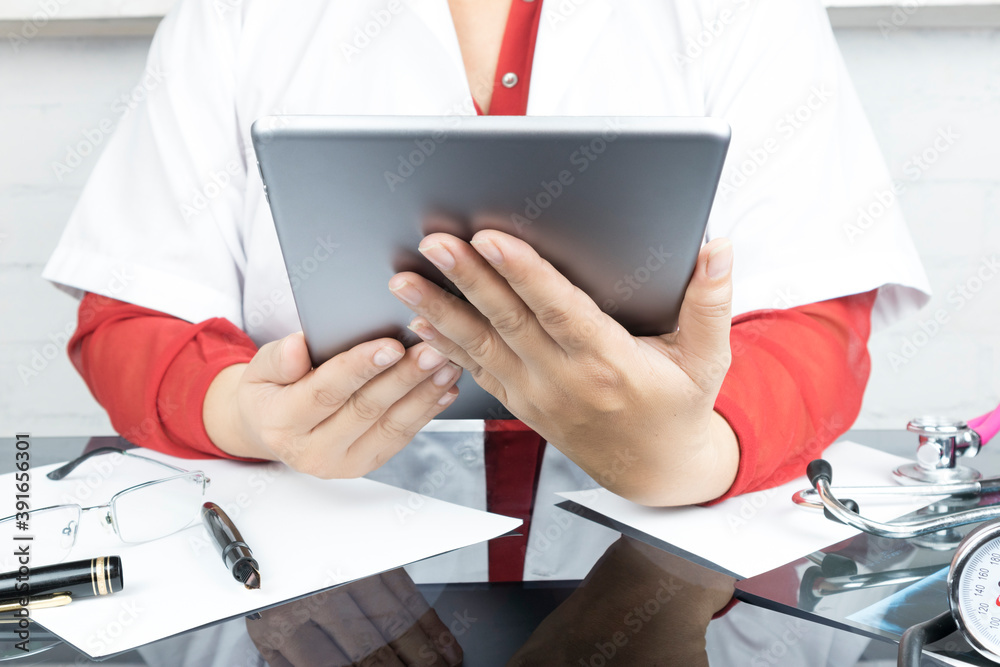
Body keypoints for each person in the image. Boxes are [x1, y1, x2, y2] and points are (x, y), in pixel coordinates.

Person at [44, 0, 929, 582]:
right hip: (319, 587)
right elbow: (130, 312)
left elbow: (819, 311)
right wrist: (245, 412)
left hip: (652, 583)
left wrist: (695, 453)